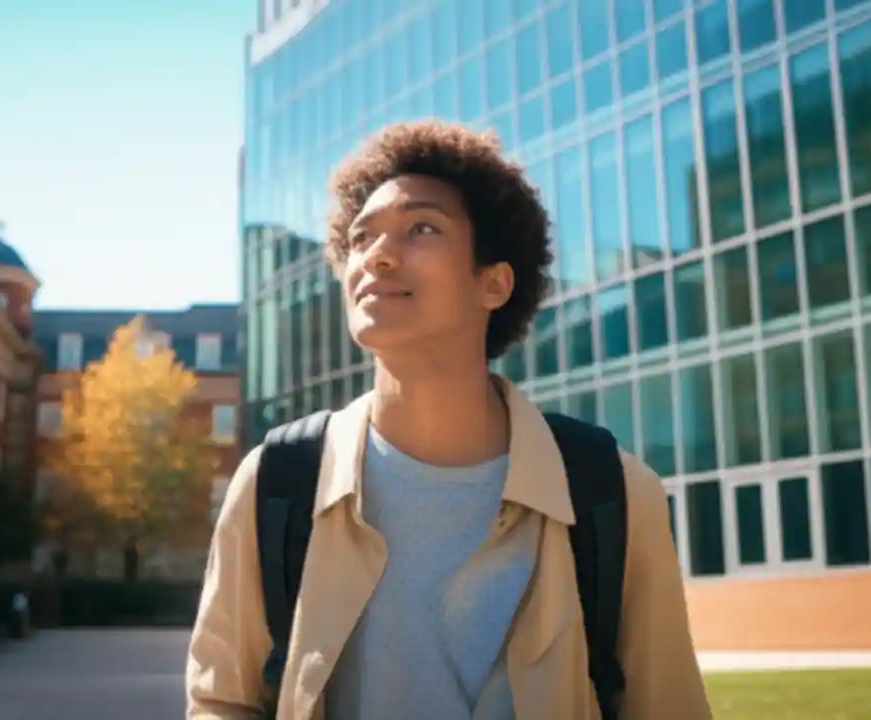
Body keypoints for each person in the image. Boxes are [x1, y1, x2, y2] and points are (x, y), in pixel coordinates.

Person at [186, 121, 711, 719]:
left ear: (494, 283)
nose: (377, 255)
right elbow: (221, 702)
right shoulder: (276, 481)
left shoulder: (612, 491)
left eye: (422, 228)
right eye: (361, 238)